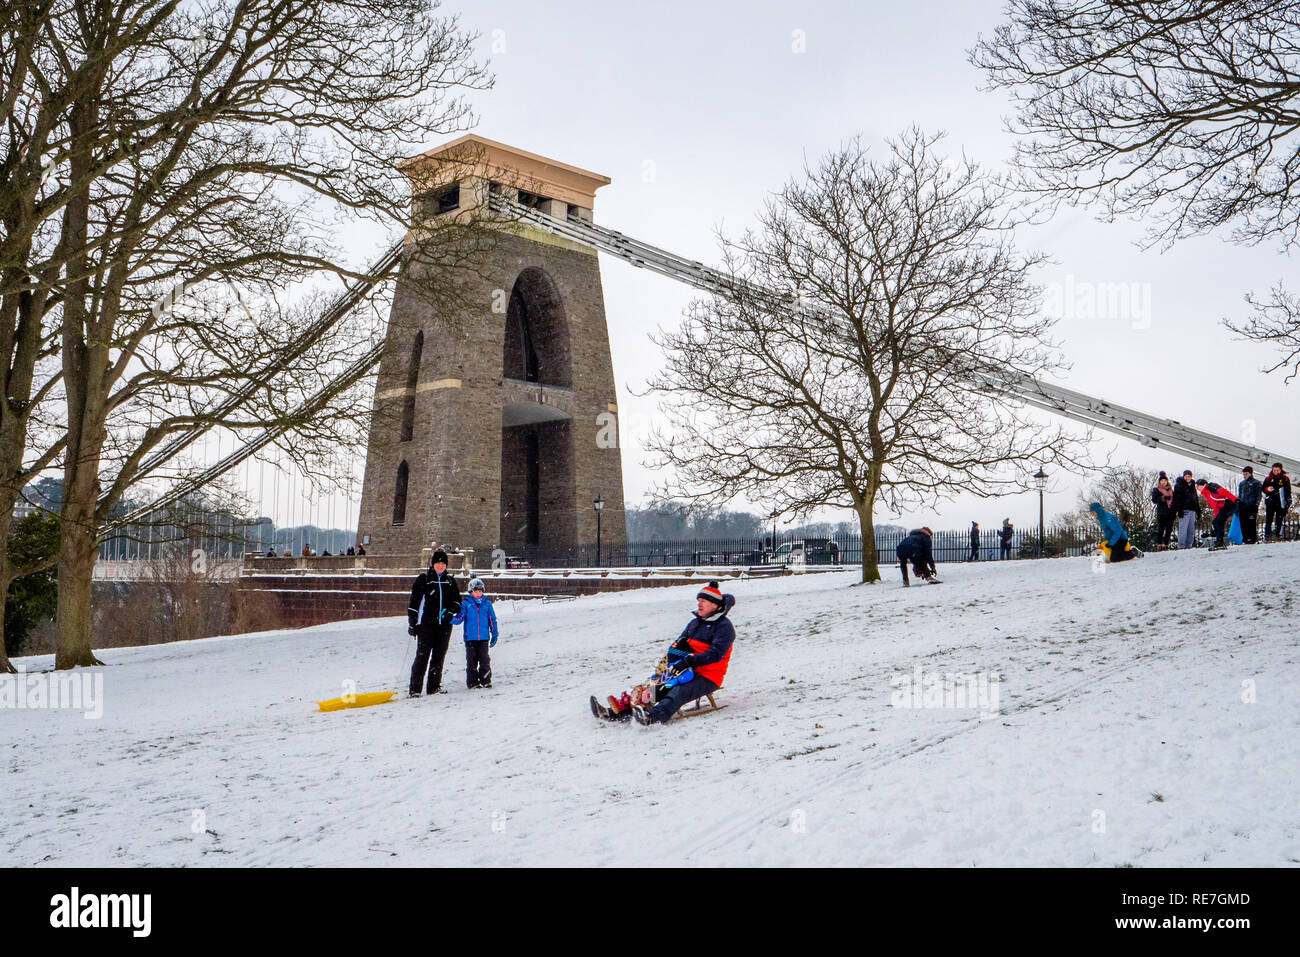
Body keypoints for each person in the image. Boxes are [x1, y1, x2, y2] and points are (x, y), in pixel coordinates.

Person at [632, 582, 736, 726]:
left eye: (703, 601)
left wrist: (688, 661)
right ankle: (622, 711)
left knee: (678, 691)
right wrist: (669, 661)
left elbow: (715, 654)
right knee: (654, 686)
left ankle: (653, 717)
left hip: (708, 676)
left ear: (714, 605)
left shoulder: (724, 627)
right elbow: (679, 643)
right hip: (685, 670)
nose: (699, 604)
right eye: (699, 601)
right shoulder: (694, 623)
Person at [407, 549, 462, 697]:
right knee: (422, 657)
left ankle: (433, 687)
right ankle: (415, 689)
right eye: (438, 562)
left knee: (438, 657)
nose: (440, 565)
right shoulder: (424, 580)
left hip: (444, 626)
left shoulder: (450, 581)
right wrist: (412, 623)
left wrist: (450, 611)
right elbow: (414, 604)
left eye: (443, 563)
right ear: (433, 564)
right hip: (426, 625)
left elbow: (457, 601)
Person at [452, 577, 498, 689]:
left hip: (483, 638)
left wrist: (494, 633)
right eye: (475, 591)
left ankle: (485, 680)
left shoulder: (487, 604)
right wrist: (449, 618)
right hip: (470, 639)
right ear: (471, 592)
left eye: (480, 591)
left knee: (484, 660)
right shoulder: (466, 604)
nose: (478, 593)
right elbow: (460, 618)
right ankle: (472, 682)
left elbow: (492, 619)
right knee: (471, 661)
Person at [1195, 479, 1237, 549]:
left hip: (1230, 503)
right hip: (1224, 506)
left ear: (1202, 485)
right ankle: (1219, 540)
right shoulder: (1207, 494)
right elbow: (1216, 507)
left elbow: (1224, 492)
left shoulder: (1211, 488)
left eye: (1197, 486)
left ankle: (1220, 542)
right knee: (1215, 522)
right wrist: (1216, 517)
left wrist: (1235, 499)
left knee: (1219, 521)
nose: (1197, 489)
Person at [1262, 462, 1292, 541]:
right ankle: (1267, 536)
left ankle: (1278, 535)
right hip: (1270, 501)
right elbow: (1263, 488)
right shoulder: (1268, 478)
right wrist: (1267, 489)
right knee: (1269, 519)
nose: (1275, 472)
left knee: (1279, 519)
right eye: (1274, 470)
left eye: (1277, 470)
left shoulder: (1285, 478)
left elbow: (1288, 491)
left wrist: (1288, 501)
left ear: (1281, 470)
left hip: (1281, 502)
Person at [1172, 469, 1200, 549]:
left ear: (1191, 477)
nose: (1187, 478)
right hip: (1184, 510)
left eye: (1189, 476)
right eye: (1186, 476)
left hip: (1192, 510)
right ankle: (1181, 546)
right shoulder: (1179, 485)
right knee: (1183, 529)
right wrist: (1178, 510)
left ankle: (1189, 546)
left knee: (1191, 530)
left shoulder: (1192, 485)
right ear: (1183, 476)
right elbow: (1176, 498)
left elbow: (1195, 498)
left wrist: (1198, 510)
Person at [1236, 466, 1263, 545]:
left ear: (1250, 473)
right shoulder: (1242, 483)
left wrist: (1256, 505)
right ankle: (1245, 539)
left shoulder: (1256, 483)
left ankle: (1252, 539)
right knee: (1243, 524)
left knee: (1251, 523)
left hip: (1252, 506)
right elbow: (1240, 495)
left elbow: (1259, 495)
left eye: (1246, 474)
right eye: (1244, 474)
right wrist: (1238, 506)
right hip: (1242, 506)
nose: (1245, 476)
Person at [1150, 472, 1176, 550]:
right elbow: (1154, 500)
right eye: (1162, 481)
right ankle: (1159, 544)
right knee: (1161, 528)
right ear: (1159, 482)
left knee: (1169, 529)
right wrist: (1162, 498)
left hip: (1170, 512)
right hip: (1161, 512)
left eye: (1165, 481)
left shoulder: (1171, 490)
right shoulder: (1156, 490)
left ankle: (1166, 544)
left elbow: (1174, 500)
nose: (1163, 482)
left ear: (1167, 481)